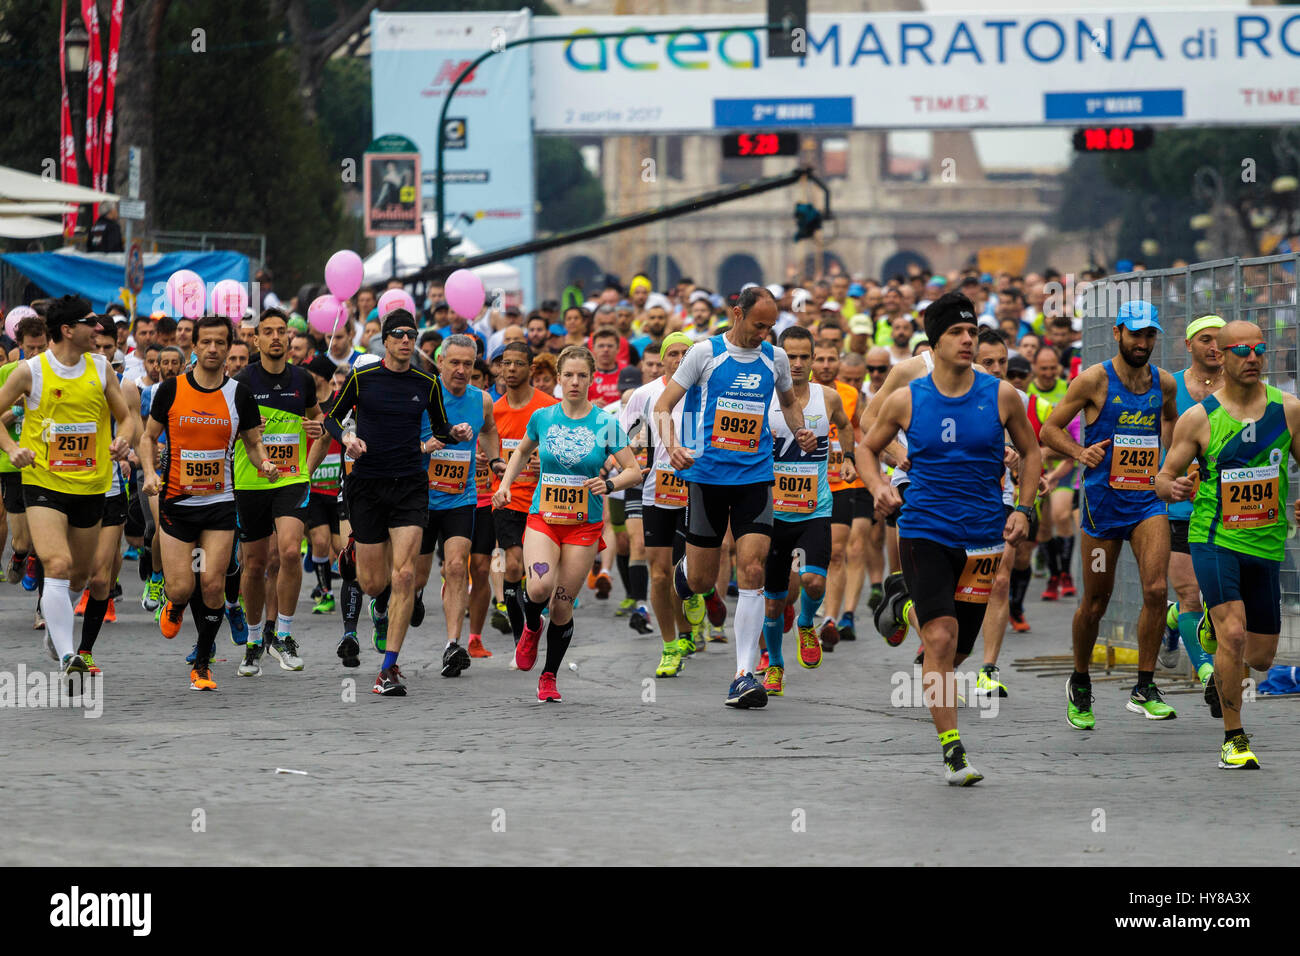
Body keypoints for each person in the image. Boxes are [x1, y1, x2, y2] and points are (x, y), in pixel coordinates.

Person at [860, 292, 1041, 785]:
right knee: (939, 639)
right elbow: (866, 446)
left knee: (956, 648)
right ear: (934, 343)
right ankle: (953, 750)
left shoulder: (1001, 395)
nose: (968, 341)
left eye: (973, 332)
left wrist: (1023, 509)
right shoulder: (906, 397)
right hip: (925, 529)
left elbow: (1031, 450)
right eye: (958, 334)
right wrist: (879, 486)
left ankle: (901, 607)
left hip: (983, 536)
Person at [654, 287, 816, 709]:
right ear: (736, 313)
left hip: (755, 477)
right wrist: (672, 447)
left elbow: (789, 402)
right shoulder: (704, 353)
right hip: (706, 478)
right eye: (758, 325)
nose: (764, 334)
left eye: (770, 327)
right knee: (703, 581)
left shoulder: (774, 358)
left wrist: (799, 429)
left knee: (752, 570)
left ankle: (744, 674)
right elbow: (663, 406)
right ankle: (685, 575)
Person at [1157, 320, 1299, 769]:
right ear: (1221, 355)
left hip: (1266, 542)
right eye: (1242, 350)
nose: (1253, 357)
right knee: (1233, 635)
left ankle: (1207, 627)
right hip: (1214, 538)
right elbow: (1161, 477)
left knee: (1260, 658)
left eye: (1259, 349)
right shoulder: (1199, 418)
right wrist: (1172, 488)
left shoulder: (1289, 409)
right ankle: (1233, 738)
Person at [1040, 300, 1179, 730]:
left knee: (1156, 590)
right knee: (1096, 602)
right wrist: (1081, 453)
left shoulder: (1165, 383)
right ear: (1118, 333)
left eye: (1150, 334)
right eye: (1135, 334)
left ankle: (1144, 685)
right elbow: (1049, 430)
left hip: (1146, 504)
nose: (1143, 343)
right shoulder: (1093, 381)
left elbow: (1170, 422)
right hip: (1102, 509)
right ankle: (1080, 680)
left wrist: (1165, 467)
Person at [321, 309, 473, 697]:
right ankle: (370, 582)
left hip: (409, 486)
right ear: (386, 341)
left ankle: (388, 668)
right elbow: (332, 419)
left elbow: (440, 428)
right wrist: (347, 440)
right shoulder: (361, 377)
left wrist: (456, 432)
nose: (406, 340)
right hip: (368, 485)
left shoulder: (427, 382)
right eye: (399, 334)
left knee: (405, 575)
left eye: (412, 334)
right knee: (374, 582)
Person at [491, 346, 642, 702]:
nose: (575, 382)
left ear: (591, 379)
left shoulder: (605, 423)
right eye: (568, 375)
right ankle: (530, 625)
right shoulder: (544, 417)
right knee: (540, 587)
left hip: (583, 526)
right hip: (544, 518)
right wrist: (505, 485)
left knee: (561, 604)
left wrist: (608, 484)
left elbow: (633, 471)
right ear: (559, 379)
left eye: (582, 376)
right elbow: (522, 452)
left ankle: (549, 675)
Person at [138, 315, 276, 691]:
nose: (214, 349)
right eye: (207, 342)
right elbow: (148, 438)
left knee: (213, 586)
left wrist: (265, 463)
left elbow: (252, 441)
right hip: (177, 502)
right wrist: (150, 473)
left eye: (221, 343)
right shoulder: (170, 390)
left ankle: (202, 662)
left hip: (220, 503)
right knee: (182, 587)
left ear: (229, 347)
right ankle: (175, 602)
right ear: (194, 346)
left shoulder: (239, 394)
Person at [0, 297, 135, 676]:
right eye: (89, 323)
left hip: (91, 485)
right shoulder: (31, 371)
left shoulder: (101, 368)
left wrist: (123, 439)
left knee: (80, 574)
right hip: (43, 481)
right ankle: (67, 655)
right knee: (56, 563)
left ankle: (55, 636)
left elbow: (125, 419)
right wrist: (12, 448)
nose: (99, 330)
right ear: (67, 330)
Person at [760, 326, 855, 696]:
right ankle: (775, 667)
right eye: (790, 357)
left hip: (815, 507)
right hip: (772, 512)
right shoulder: (765, 396)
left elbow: (846, 427)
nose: (797, 364)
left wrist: (847, 458)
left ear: (813, 360)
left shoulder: (827, 397)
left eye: (804, 357)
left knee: (814, 580)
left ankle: (806, 623)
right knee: (772, 602)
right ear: (779, 359)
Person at [231, 308, 323, 675]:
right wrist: (246, 429)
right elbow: (225, 432)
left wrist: (311, 454)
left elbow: (319, 420)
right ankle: (254, 641)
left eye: (280, 331)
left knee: (288, 551)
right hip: (252, 481)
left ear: (288, 338)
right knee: (254, 564)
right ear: (255, 340)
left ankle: (283, 634)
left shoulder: (302, 379)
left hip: (290, 480)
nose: (274, 337)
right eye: (266, 332)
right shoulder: (241, 382)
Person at [411, 334, 502, 677]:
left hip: (460, 497)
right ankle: (414, 595)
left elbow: (490, 430)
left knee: (456, 567)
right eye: (455, 363)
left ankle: (453, 645)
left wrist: (494, 460)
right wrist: (428, 446)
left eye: (468, 364)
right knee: (416, 574)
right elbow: (405, 440)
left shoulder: (482, 400)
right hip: (420, 497)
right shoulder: (423, 394)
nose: (462, 370)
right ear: (441, 363)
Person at [621, 333, 696, 677]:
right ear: (663, 359)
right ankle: (670, 645)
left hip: (698, 491)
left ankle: (694, 594)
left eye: (686, 353)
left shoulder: (705, 392)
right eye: (673, 353)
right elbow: (623, 439)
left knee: (694, 571)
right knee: (661, 572)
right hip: (657, 493)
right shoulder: (645, 394)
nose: (680, 359)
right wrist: (634, 461)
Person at [1160, 316, 1225, 700]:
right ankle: (1207, 675)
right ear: (1188, 344)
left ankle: (1171, 620)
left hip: (1225, 510)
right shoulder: (1171, 388)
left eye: (1221, 340)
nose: (1214, 347)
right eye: (1206, 340)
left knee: (1216, 597)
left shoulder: (1239, 389)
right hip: (1180, 507)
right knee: (1188, 592)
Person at [491, 342, 559, 648]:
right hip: (507, 498)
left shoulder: (548, 407)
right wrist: (488, 459)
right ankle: (522, 637)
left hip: (545, 499)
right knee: (514, 564)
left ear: (530, 369)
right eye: (506, 364)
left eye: (518, 364)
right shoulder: (494, 410)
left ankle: (534, 617)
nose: (511, 370)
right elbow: (489, 447)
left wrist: (544, 458)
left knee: (539, 575)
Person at [0, 315, 48, 590]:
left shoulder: (54, 374)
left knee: (44, 542)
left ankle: (42, 609)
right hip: (13, 465)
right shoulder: (6, 375)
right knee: (23, 541)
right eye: (31, 348)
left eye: (42, 347)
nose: (36, 354)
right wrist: (18, 407)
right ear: (19, 346)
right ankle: (20, 555)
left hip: (46, 465)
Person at [302, 354, 345, 617]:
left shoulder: (341, 401)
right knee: (320, 541)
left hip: (339, 486)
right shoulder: (303, 401)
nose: (307, 375)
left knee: (341, 547)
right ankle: (325, 593)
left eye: (311, 371)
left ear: (321, 375)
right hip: (314, 485)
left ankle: (354, 585)